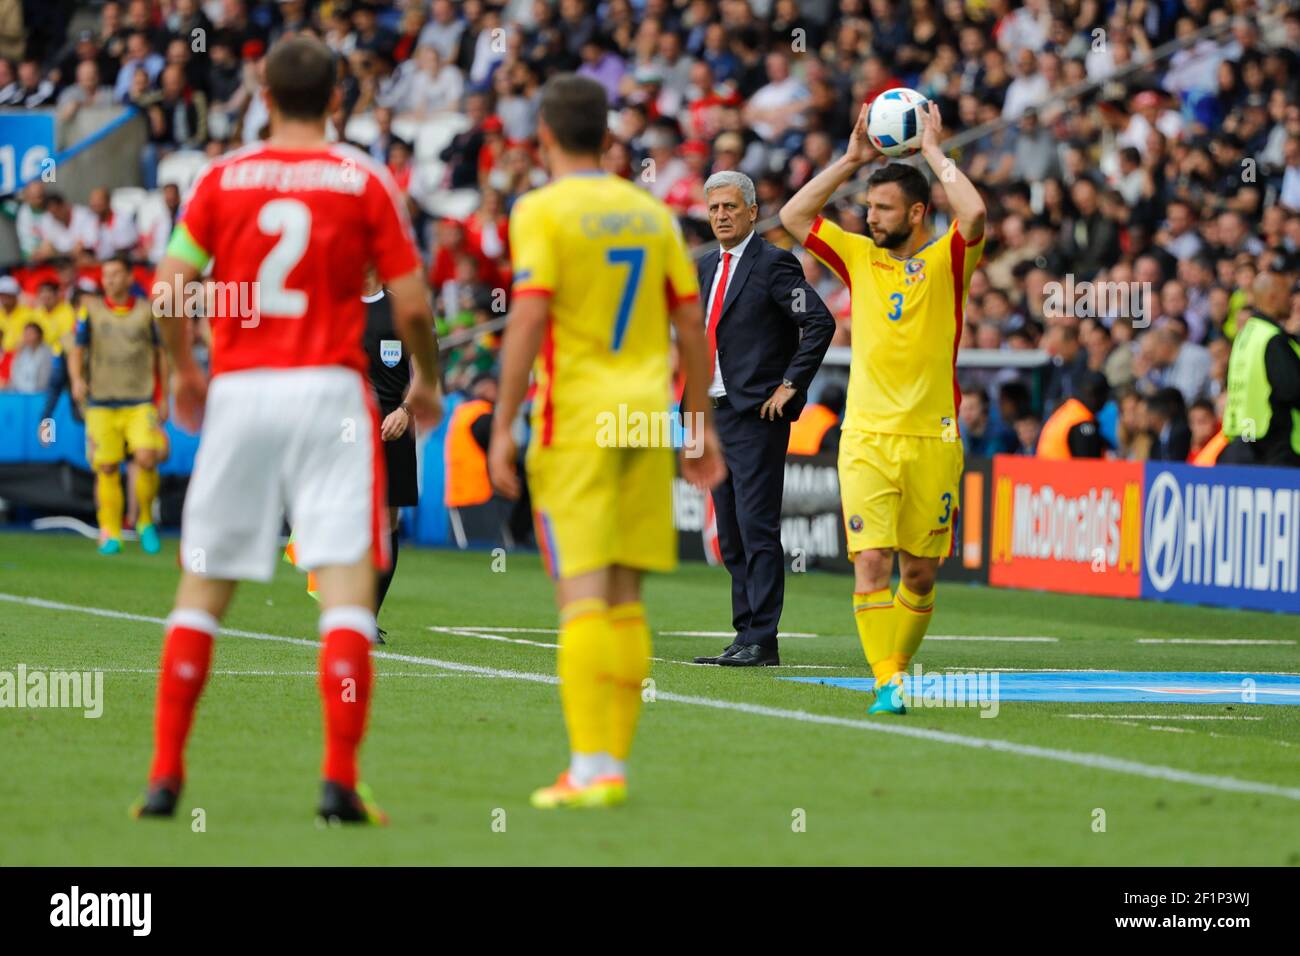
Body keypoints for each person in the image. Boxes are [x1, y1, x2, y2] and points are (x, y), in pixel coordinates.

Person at [134, 36, 442, 825]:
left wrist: (188, 372)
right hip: (332, 399)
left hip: (241, 393)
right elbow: (410, 303)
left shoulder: (220, 178)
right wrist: (430, 380)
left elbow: (168, 288)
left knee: (201, 592)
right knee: (345, 600)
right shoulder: (362, 178)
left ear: (262, 93)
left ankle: (165, 778)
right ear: (337, 97)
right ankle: (339, 781)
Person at [487, 74, 725, 809]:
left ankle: (589, 766)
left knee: (581, 594)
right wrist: (696, 426)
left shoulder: (540, 210)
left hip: (577, 422)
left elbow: (527, 319)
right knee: (625, 595)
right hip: (646, 417)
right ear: (610, 140)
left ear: (545, 138)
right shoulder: (649, 212)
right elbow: (691, 329)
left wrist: (500, 422)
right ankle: (610, 764)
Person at [780, 101, 986, 714]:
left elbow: (973, 211)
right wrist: (850, 161)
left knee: (919, 575)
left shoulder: (949, 260)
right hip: (867, 436)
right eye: (868, 207)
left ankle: (895, 672)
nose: (871, 218)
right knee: (870, 561)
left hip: (934, 438)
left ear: (918, 212)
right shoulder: (858, 256)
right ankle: (888, 681)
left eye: (884, 209)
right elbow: (794, 214)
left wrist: (932, 152)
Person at [690, 170, 834, 668]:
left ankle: (762, 639)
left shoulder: (775, 264)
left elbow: (819, 320)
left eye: (730, 207)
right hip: (712, 415)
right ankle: (743, 634)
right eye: (714, 209)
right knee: (729, 531)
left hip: (755, 416)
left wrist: (791, 383)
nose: (721, 216)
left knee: (756, 527)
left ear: (753, 211)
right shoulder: (705, 267)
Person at [68, 255, 168, 555]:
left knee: (147, 457)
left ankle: (145, 521)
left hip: (140, 401)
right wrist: (76, 379)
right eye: (105, 275)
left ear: (129, 277)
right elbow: (77, 349)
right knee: (107, 466)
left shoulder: (147, 312)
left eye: (114, 274)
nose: (108, 280)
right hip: (101, 402)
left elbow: (161, 355)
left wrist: (165, 397)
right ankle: (110, 531)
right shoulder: (91, 311)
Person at [1221, 250, 1300, 467]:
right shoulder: (1272, 339)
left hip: (1244, 440)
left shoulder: (1247, 334)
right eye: (1287, 294)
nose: (1291, 300)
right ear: (1273, 297)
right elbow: (1292, 390)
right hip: (1274, 447)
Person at [1036, 371, 1109, 459]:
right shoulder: (1082, 423)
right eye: (1105, 396)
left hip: (1045, 470)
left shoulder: (1065, 411)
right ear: (1095, 395)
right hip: (1061, 471)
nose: (1106, 401)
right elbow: (1089, 467)